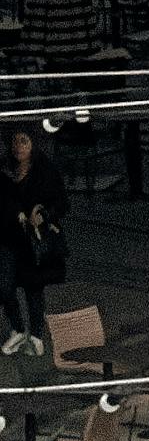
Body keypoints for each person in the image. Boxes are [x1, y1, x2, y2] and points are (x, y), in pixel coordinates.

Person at [0, 125, 68, 353]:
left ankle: (36, 336)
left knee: (33, 287)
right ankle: (18, 329)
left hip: (33, 240)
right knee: (4, 286)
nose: (18, 146)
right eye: (15, 141)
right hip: (9, 237)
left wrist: (43, 214)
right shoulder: (5, 169)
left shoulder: (44, 171)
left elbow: (62, 202)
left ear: (33, 145)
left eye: (24, 141)